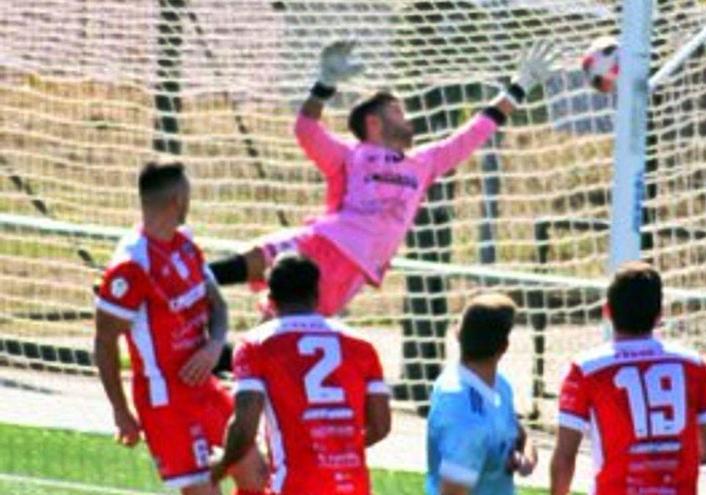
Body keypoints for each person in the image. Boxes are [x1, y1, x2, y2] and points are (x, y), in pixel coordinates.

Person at [208, 38, 560, 316]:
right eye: (397, 111)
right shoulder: (350, 156)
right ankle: (190, 283)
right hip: (322, 243)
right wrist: (324, 85)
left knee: (284, 333)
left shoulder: (423, 163)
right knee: (257, 257)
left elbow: (472, 133)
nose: (407, 119)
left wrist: (518, 87)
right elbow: (305, 128)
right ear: (373, 123)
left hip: (354, 271)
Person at [93, 162, 266, 494]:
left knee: (257, 476)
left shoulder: (185, 243)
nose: (190, 201)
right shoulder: (131, 265)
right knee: (203, 491)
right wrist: (120, 410)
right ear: (176, 199)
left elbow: (217, 304)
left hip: (205, 386)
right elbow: (104, 342)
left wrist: (215, 344)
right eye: (187, 193)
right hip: (165, 401)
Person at [209, 253, 392, 495]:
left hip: (296, 485)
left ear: (271, 300)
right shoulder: (361, 345)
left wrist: (220, 468)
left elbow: (244, 427)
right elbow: (380, 426)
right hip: (352, 486)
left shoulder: (256, 344)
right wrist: (335, 449)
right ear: (317, 295)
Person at [549, 261, 706, 495]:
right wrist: (667, 460)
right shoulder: (693, 365)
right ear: (659, 315)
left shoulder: (586, 369)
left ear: (607, 311)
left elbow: (564, 456)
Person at [426, 293, 538, 495]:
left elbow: (520, 434)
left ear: (457, 333)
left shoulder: (499, 386)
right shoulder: (463, 414)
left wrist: (526, 458)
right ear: (505, 347)